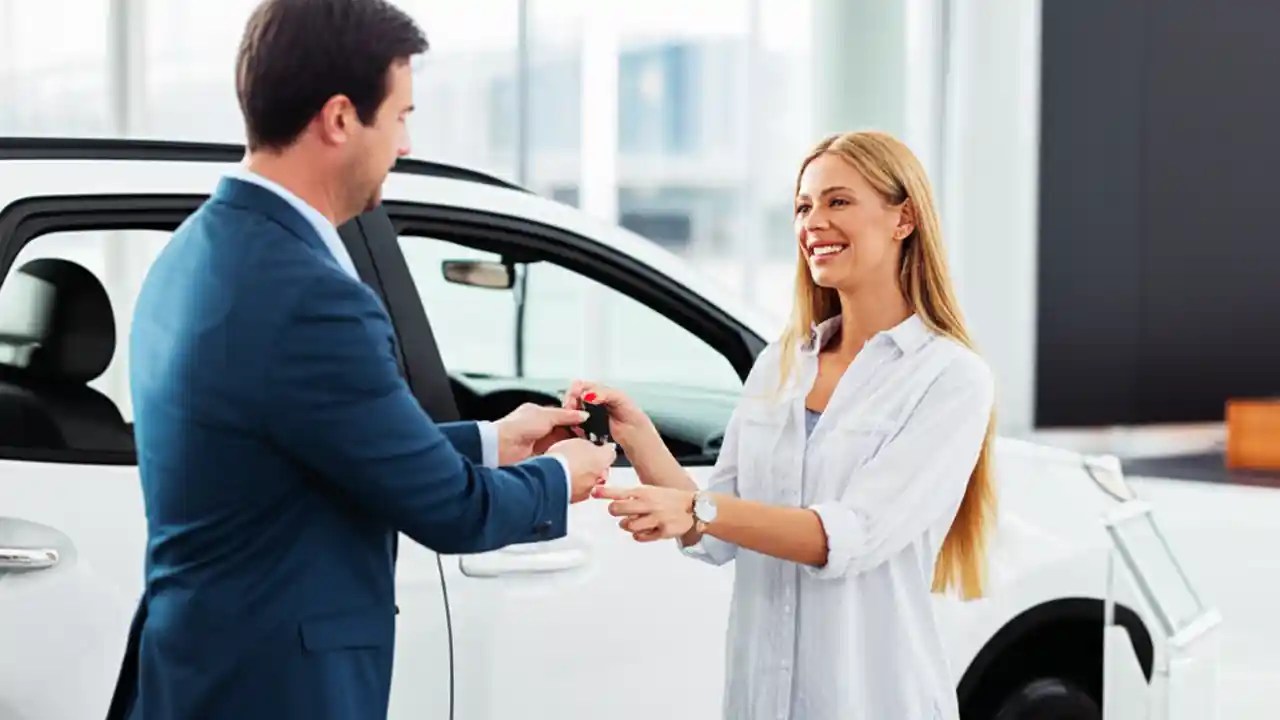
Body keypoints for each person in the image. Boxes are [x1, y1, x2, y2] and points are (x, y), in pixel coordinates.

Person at [107, 1, 615, 718]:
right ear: (341, 118)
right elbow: (452, 511)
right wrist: (562, 478)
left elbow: (313, 447)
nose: (404, 145)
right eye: (401, 116)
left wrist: (493, 441)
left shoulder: (197, 251)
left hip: (199, 667)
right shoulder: (306, 293)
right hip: (273, 688)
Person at [567, 130, 996, 719]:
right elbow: (716, 526)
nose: (813, 221)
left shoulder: (949, 378)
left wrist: (698, 512)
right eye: (803, 205)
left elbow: (848, 536)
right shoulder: (783, 363)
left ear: (904, 219)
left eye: (837, 201)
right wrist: (637, 434)